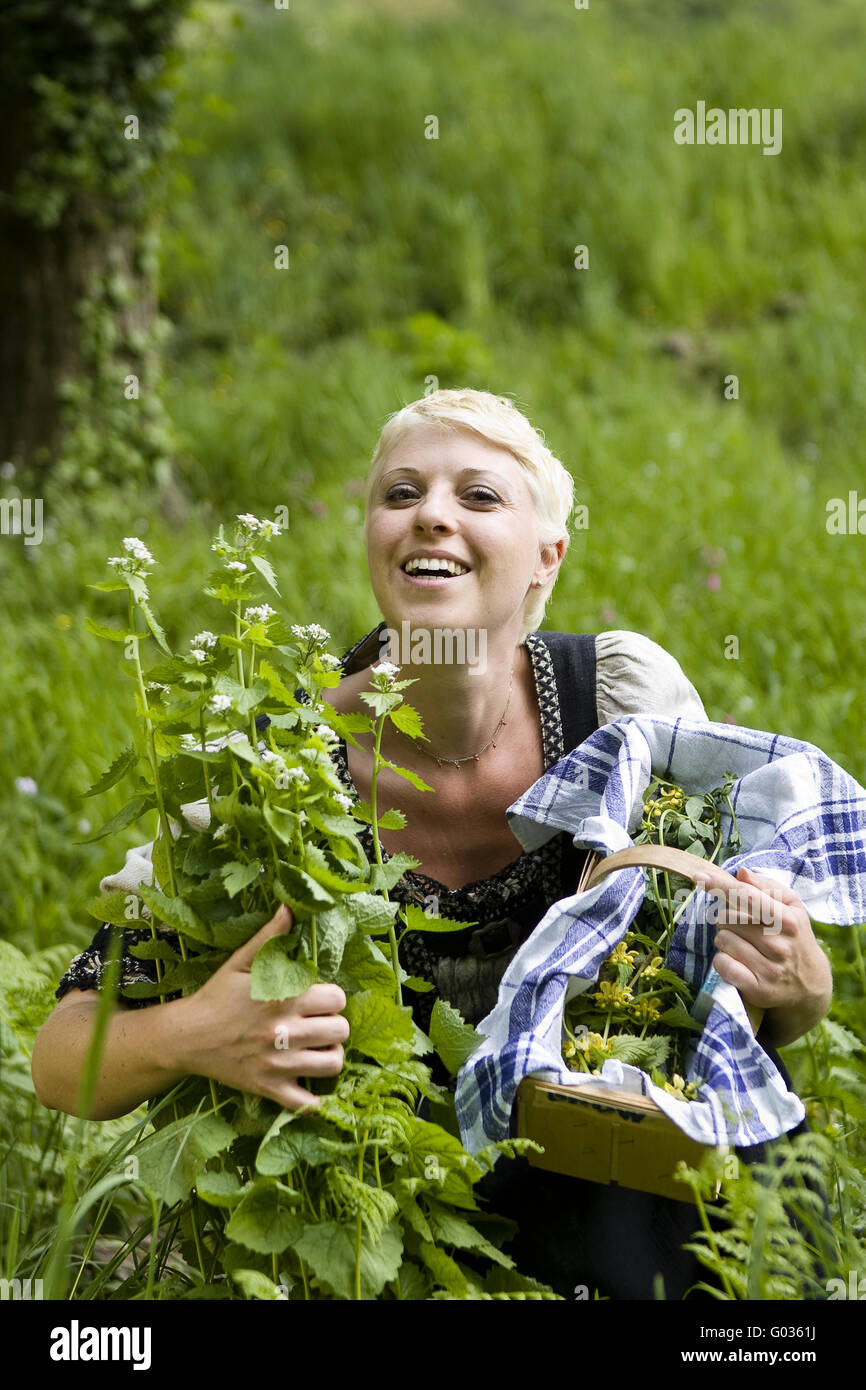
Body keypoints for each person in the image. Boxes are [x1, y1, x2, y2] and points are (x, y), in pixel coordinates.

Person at [32, 389, 833, 1298]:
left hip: (616, 1173)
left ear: (546, 556)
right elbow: (62, 1061)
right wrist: (198, 1035)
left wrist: (803, 991)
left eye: (479, 496)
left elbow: (733, 989)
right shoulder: (274, 767)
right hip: (379, 1208)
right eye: (401, 493)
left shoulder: (621, 708)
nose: (432, 516)